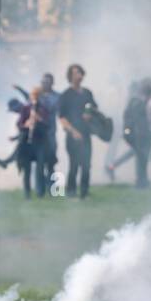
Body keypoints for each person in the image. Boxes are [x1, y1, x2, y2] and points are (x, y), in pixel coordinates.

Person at [107, 78, 151, 188]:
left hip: (140, 133)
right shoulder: (136, 100)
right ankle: (141, 180)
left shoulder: (138, 99)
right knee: (140, 154)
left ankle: (141, 179)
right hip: (139, 133)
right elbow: (136, 119)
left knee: (138, 154)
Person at [57, 63, 96, 199]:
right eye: (75, 73)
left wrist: (89, 114)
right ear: (70, 76)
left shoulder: (87, 93)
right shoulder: (66, 95)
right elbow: (61, 117)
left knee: (86, 165)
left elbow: (93, 108)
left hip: (86, 134)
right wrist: (73, 132)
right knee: (74, 165)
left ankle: (84, 193)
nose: (78, 75)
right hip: (72, 136)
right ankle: (71, 191)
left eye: (80, 72)